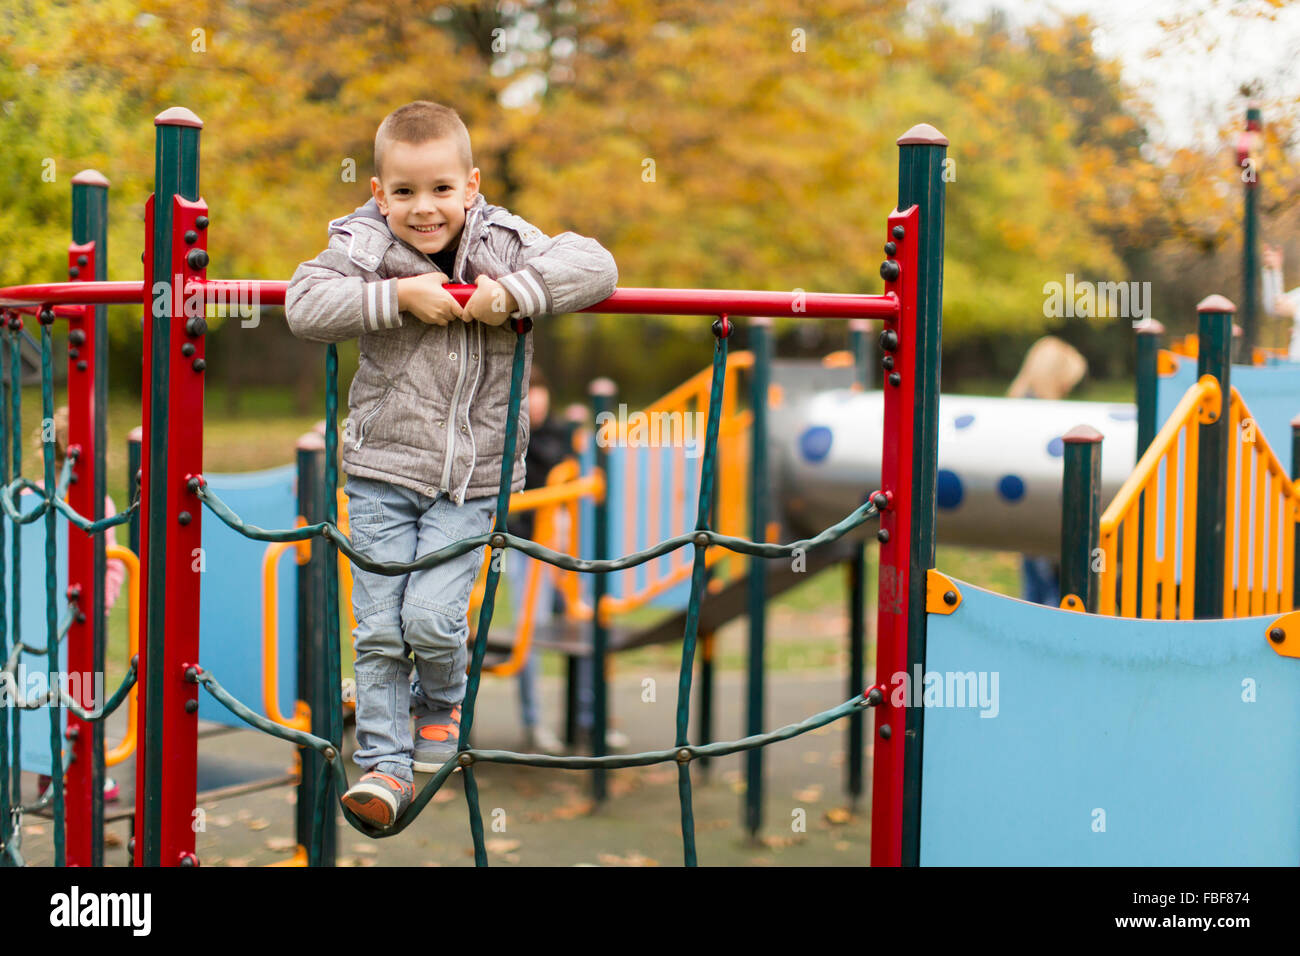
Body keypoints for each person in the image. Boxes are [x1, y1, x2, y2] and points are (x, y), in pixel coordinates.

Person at [285, 101, 617, 828]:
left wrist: (513, 292)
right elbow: (304, 305)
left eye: (440, 189)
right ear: (378, 193)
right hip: (380, 472)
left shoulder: (503, 239)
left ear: (471, 186)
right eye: (403, 192)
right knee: (376, 629)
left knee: (430, 618)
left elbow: (596, 264)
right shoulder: (364, 242)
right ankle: (383, 768)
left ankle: (440, 703)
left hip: (471, 480)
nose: (423, 208)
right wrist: (397, 296)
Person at [31, 406, 127, 801]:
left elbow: (111, 567)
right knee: (81, 694)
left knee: (55, 692)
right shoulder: (92, 501)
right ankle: (74, 771)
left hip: (55, 617)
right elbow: (114, 564)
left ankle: (54, 770)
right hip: (68, 617)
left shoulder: (29, 494)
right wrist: (101, 607)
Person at [505, 366, 570, 754]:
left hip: (566, 549)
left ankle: (586, 717)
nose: (537, 401)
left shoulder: (563, 434)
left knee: (586, 626)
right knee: (532, 632)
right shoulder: (510, 438)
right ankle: (534, 722)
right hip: (527, 548)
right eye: (529, 393)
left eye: (541, 391)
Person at [1006, 336, 1087, 606]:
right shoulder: (1041, 414)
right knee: (1052, 591)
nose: (1067, 388)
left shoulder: (1016, 405)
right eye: (1067, 381)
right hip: (1046, 513)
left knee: (1033, 588)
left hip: (1024, 515)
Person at [1261, 245, 1300, 359]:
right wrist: (1274, 272)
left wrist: (1295, 312)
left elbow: (1292, 310)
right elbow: (1276, 308)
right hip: (1295, 368)